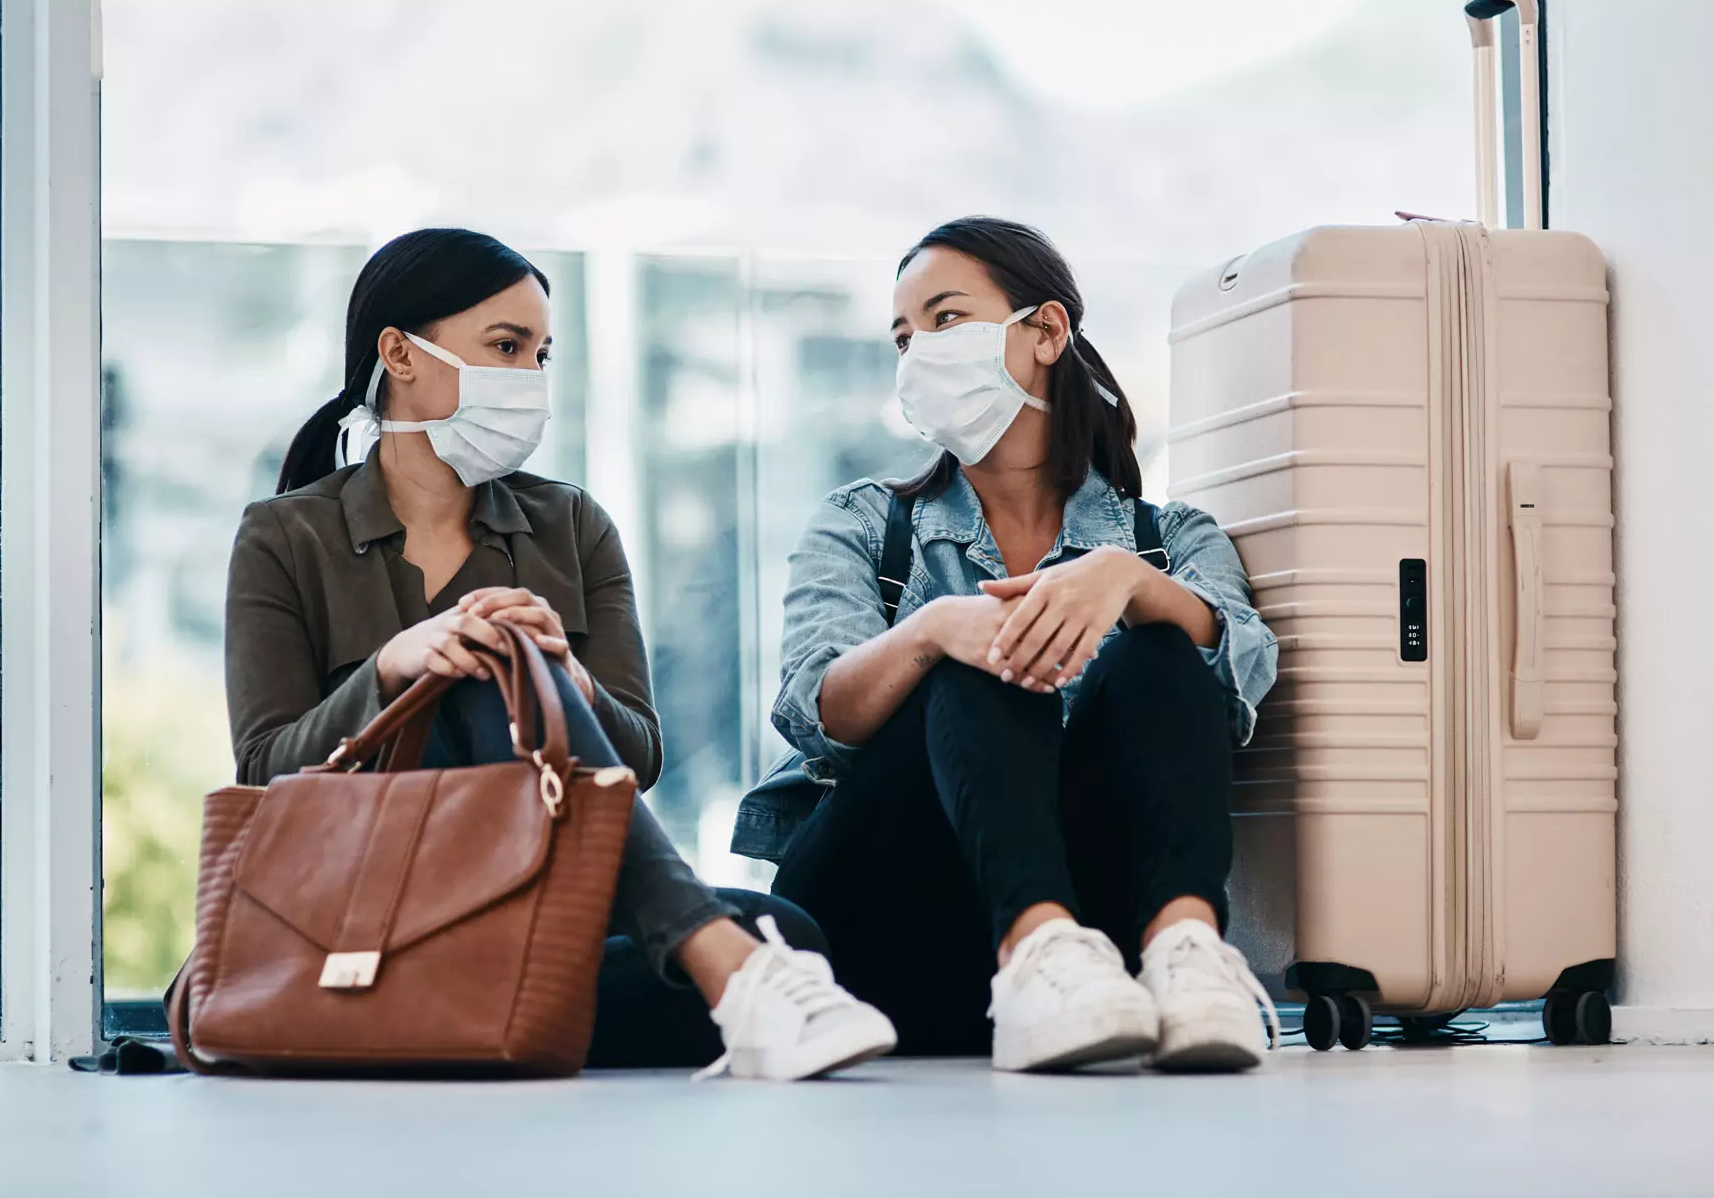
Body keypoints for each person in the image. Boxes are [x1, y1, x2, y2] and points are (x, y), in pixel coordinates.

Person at [226, 227, 895, 1080]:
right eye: (507, 348)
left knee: (789, 931)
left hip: (541, 894)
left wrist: (567, 680)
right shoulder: (286, 535)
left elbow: (641, 754)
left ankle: (443, 1013)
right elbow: (262, 770)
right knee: (478, 668)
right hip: (369, 909)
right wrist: (396, 665)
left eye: (542, 355)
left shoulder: (572, 527)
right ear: (399, 353)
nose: (532, 379)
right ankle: (708, 961)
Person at [746, 217, 1280, 1073]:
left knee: (1160, 650)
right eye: (903, 335)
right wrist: (930, 631)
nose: (918, 349)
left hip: (1103, 954)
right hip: (892, 921)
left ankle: (1188, 960)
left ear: (1047, 331)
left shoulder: (1168, 538)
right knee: (979, 658)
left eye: (945, 318)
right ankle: (1035, 951)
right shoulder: (861, 523)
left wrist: (1133, 584)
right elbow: (817, 714)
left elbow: (1245, 671)